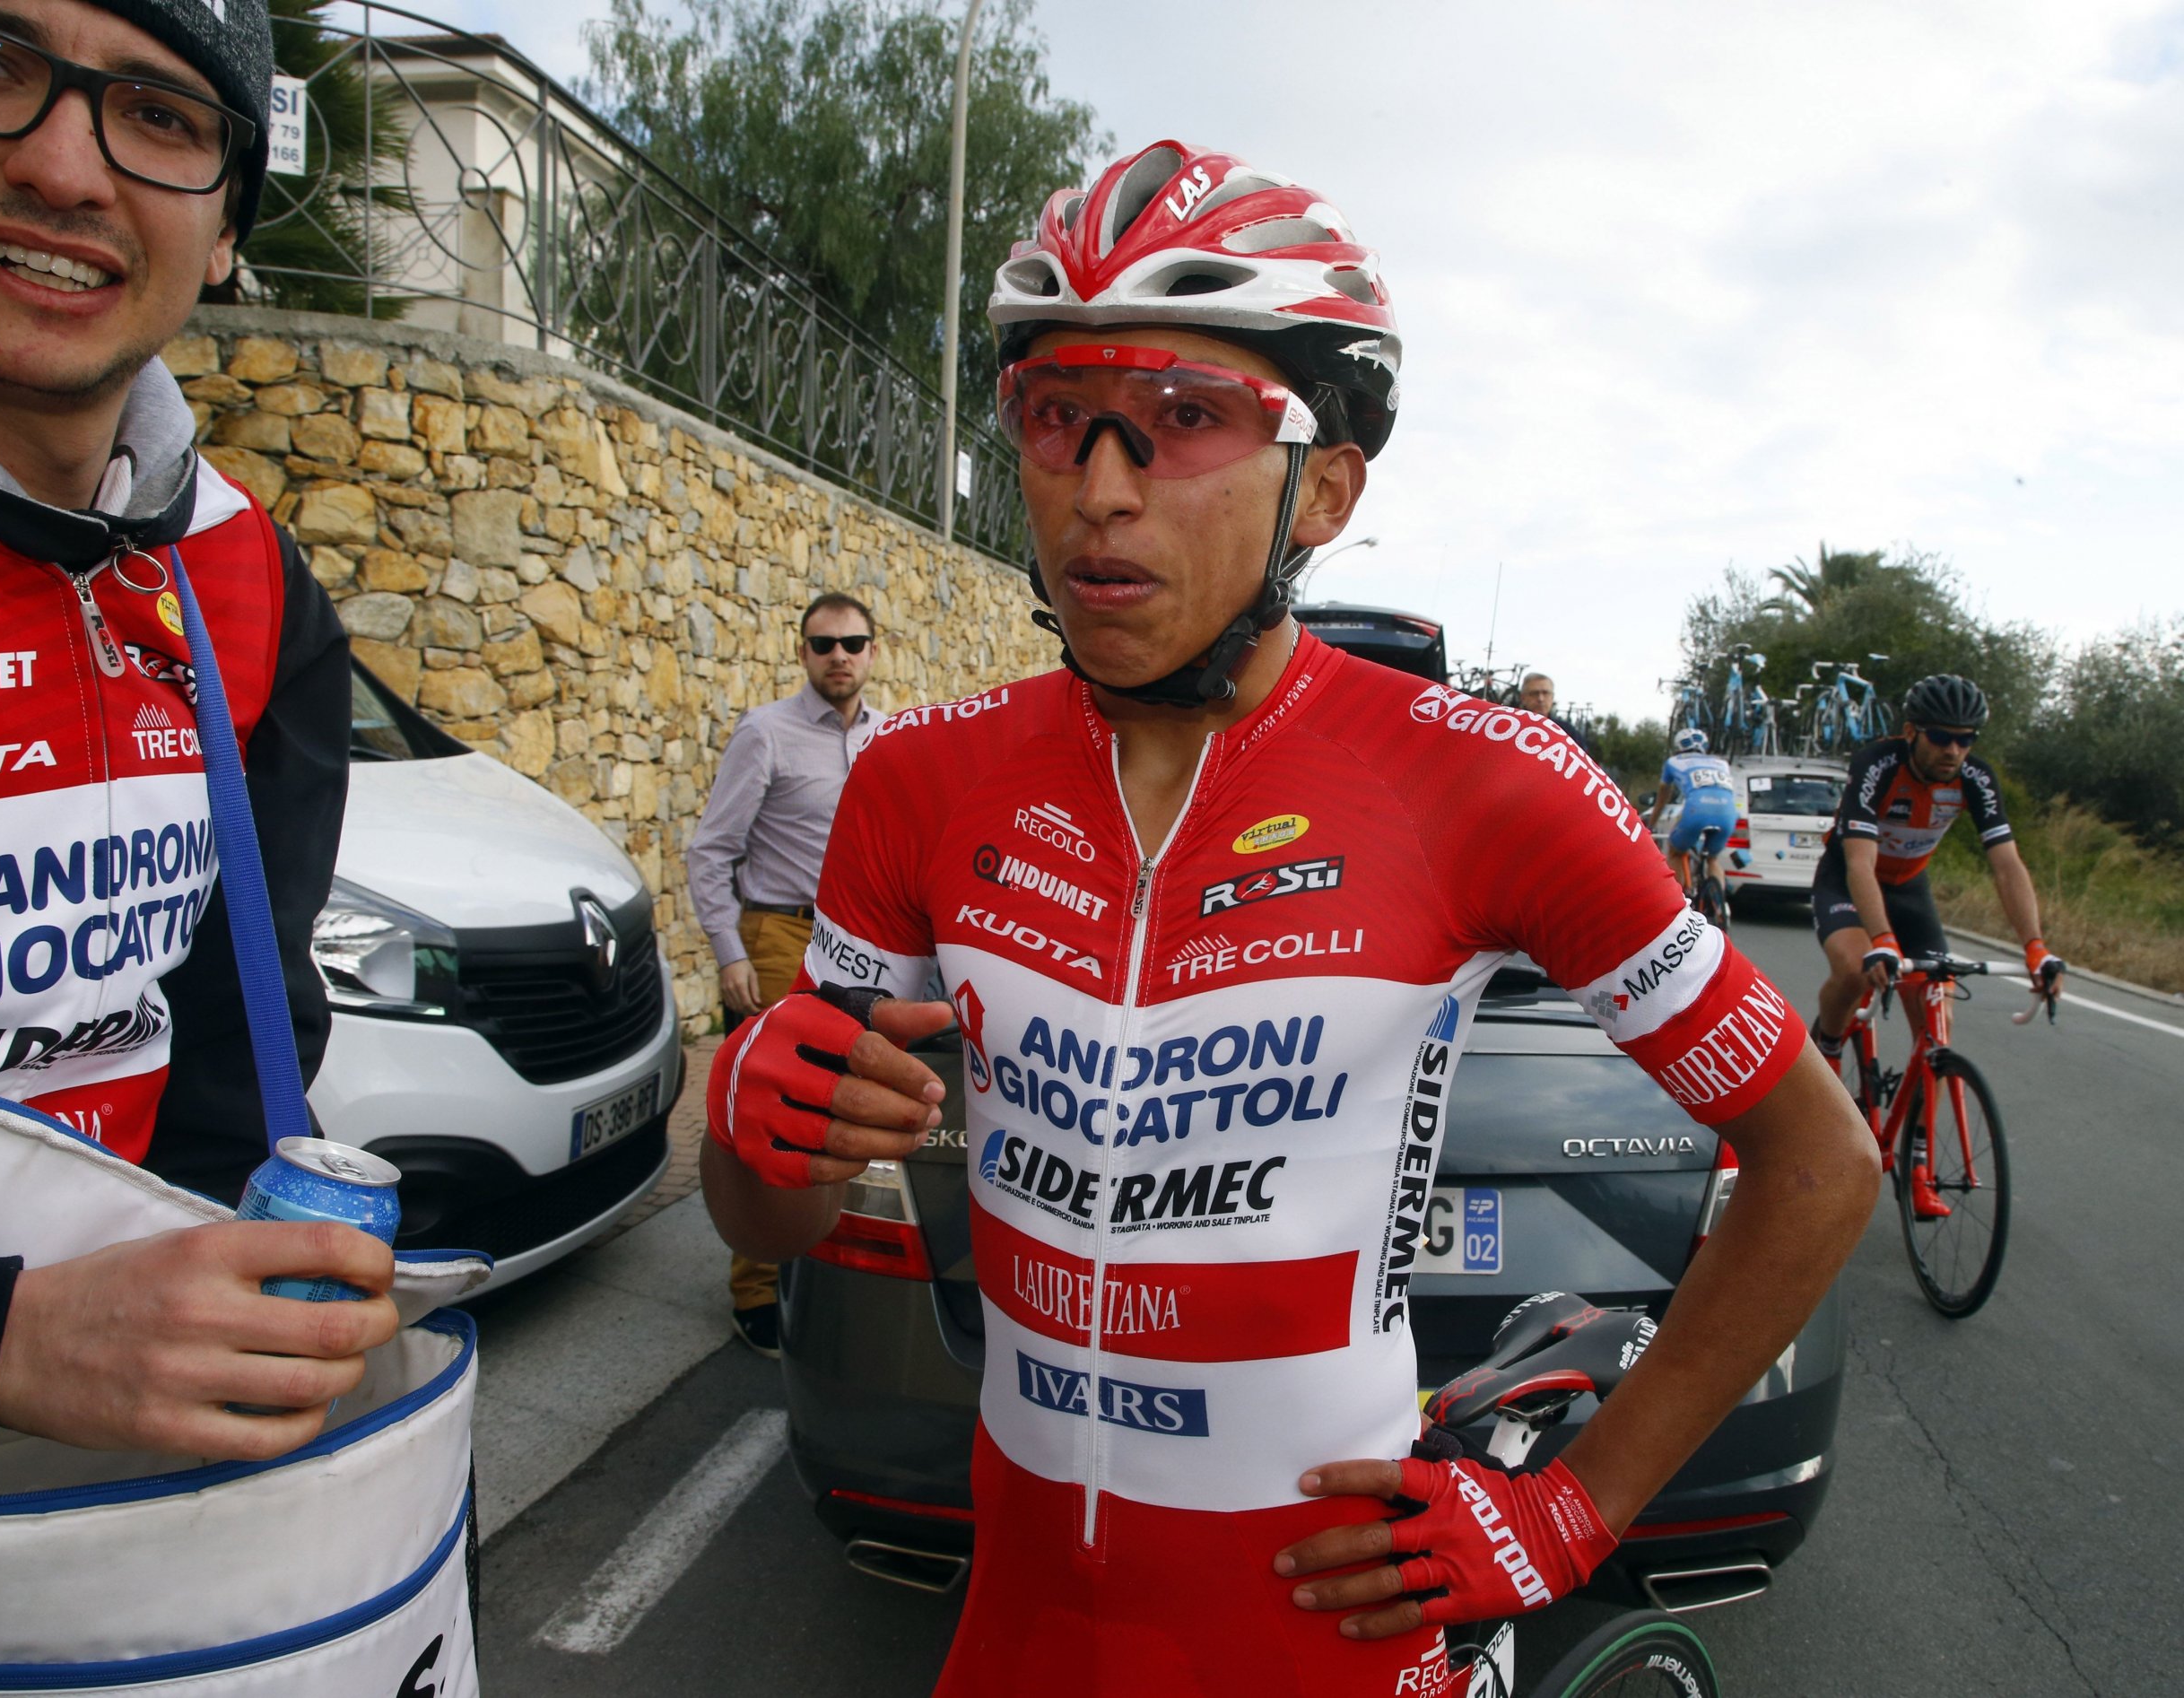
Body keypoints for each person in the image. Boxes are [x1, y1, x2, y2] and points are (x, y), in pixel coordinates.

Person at [694, 140, 1881, 1697]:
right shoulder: (918, 778)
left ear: (1323, 487)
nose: (1100, 487)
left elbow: (1821, 1160)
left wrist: (1571, 1511)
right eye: (1056, 416)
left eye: (1187, 417)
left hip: (1318, 1630)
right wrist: (750, 1132)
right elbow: (768, 1220)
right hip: (1020, 1622)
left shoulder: (1485, 779)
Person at [0, 0, 392, 1458]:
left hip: (103, 1513)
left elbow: (238, 1046)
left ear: (225, 228)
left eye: (160, 115)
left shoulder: (247, 574)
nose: (64, 167)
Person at [684, 592, 879, 1355]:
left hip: (857, 942)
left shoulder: (887, 736)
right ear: (803, 652)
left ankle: (821, 1259)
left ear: (872, 651)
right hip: (779, 935)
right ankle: (756, 1290)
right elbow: (711, 850)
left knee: (843, 1108)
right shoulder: (765, 733)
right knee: (771, 1111)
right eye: (824, 644)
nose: (839, 656)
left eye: (853, 643)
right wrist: (730, 951)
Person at [1806, 675, 2065, 1210]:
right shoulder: (1877, 765)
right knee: (1855, 967)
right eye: (1942, 737)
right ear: (1912, 732)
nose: (1954, 750)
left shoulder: (1975, 777)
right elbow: (1859, 862)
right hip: (1849, 880)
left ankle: (1919, 1166)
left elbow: (2007, 865)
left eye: (1965, 739)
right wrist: (1882, 940)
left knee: (1937, 1017)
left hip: (1910, 889)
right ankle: (1827, 1046)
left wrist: (2035, 946)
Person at [1649, 727, 1739, 894]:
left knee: (1676, 851)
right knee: (1713, 859)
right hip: (1727, 812)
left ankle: (1677, 899)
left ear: (1678, 746)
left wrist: (1651, 825)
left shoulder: (1673, 762)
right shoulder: (1722, 763)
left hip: (1697, 810)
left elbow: (1663, 798)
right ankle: (1718, 902)